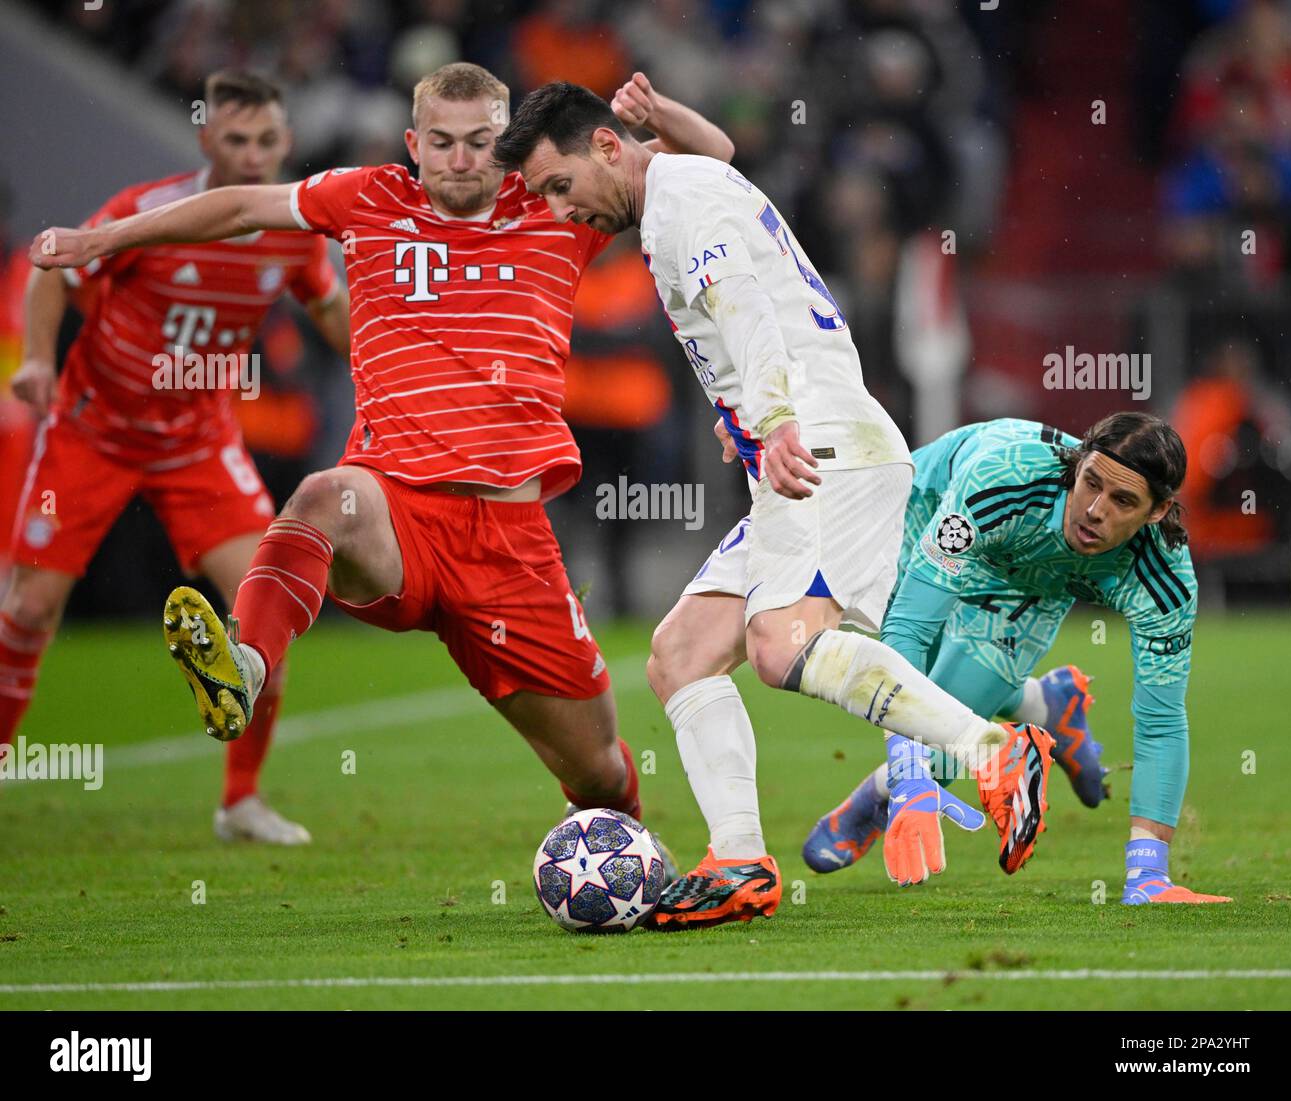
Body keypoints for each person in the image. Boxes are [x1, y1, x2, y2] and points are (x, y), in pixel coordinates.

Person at [30, 64, 734, 840]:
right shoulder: (366, 197)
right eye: (442, 142)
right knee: (322, 496)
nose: (461, 160)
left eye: (479, 142)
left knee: (596, 766)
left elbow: (713, 161)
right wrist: (104, 237)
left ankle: (623, 848)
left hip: (511, 541)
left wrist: (660, 110)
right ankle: (246, 666)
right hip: (393, 508)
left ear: (506, 142)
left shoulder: (555, 205)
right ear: (413, 143)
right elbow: (236, 207)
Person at [492, 81, 1056, 929]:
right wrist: (665, 119)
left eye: (558, 186)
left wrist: (775, 418)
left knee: (780, 644)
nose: (560, 210)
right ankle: (743, 862)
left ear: (606, 147)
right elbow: (718, 149)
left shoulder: (679, 209)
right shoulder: (686, 183)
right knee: (681, 655)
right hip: (802, 439)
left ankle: (994, 749)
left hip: (821, 441)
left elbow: (746, 314)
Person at [6, 71, 350, 844]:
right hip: (93, 431)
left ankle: (240, 801)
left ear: (286, 142)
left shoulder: (293, 230)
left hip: (198, 441)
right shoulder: (146, 212)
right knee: (28, 610)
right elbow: (51, 268)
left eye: (267, 140)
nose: (254, 155)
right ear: (204, 138)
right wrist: (34, 361)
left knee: (269, 607)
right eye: (236, 139)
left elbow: (328, 304)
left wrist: (385, 375)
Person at [805, 415, 1231, 905]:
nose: (1094, 510)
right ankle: (1043, 705)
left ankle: (1039, 710)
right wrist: (907, 772)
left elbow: (1161, 722)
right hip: (932, 511)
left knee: (945, 741)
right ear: (1077, 468)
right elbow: (910, 628)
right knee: (919, 726)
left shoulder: (1164, 581)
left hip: (1032, 585)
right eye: (1091, 483)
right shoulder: (1001, 479)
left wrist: (1149, 875)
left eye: (1123, 501)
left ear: (1157, 512)